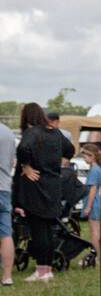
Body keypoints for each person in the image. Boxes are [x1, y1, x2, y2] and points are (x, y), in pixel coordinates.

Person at [13, 103, 63, 282]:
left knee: (38, 231)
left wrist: (25, 166)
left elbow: (23, 149)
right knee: (49, 231)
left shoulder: (32, 133)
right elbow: (70, 150)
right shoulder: (55, 133)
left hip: (36, 189)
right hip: (53, 187)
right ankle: (47, 269)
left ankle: (41, 271)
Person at [0, 119, 16, 286]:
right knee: (5, 235)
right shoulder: (8, 132)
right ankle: (7, 276)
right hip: (4, 187)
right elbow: (12, 162)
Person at [80, 143, 101, 262]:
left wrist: (88, 206)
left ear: (91, 156)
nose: (84, 159)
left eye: (85, 157)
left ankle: (97, 256)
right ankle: (97, 255)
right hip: (95, 202)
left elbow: (93, 189)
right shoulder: (97, 168)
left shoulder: (94, 170)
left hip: (93, 203)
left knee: (94, 232)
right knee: (96, 231)